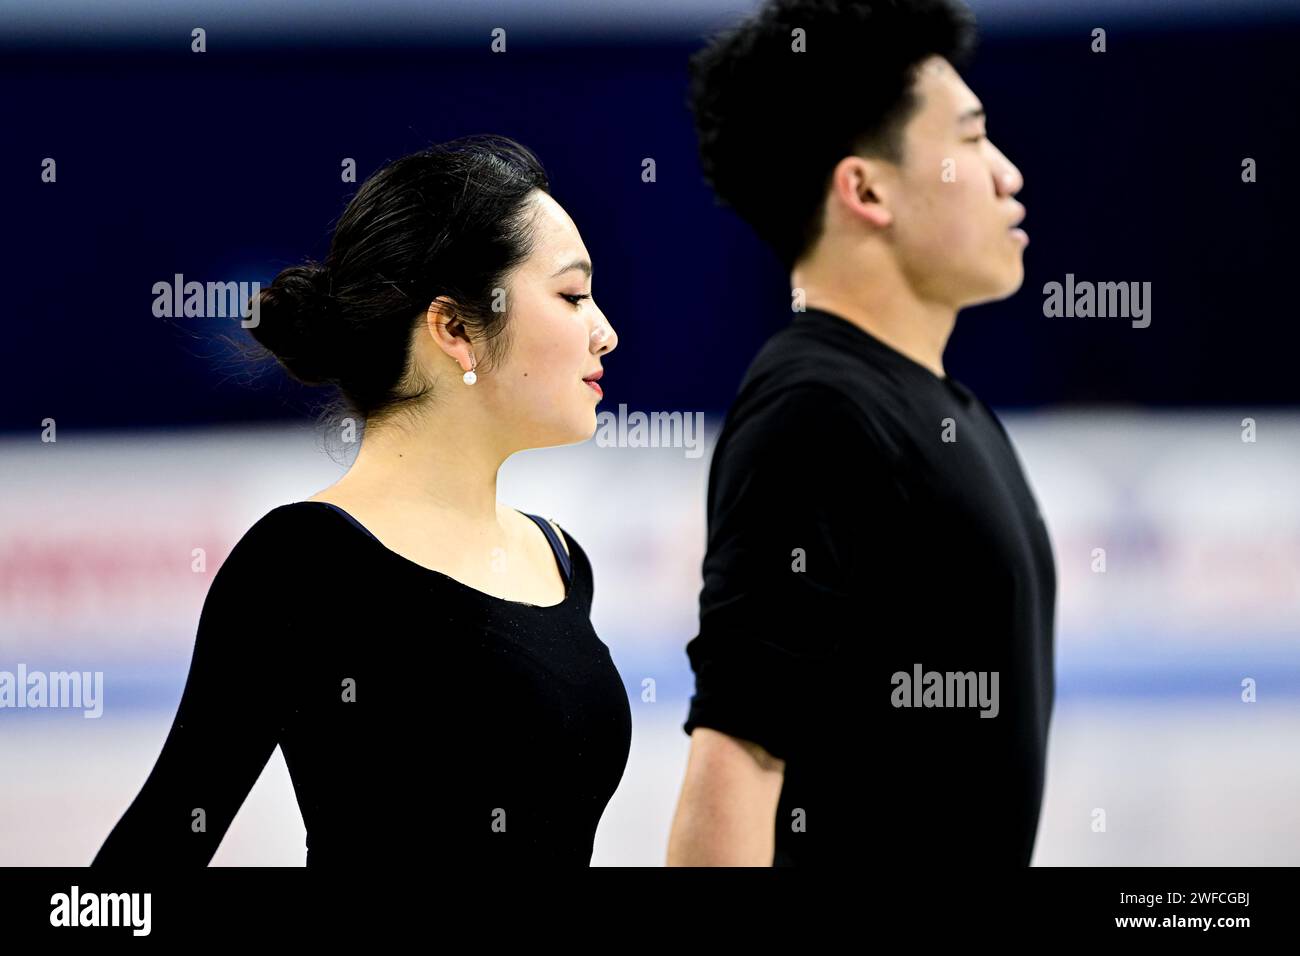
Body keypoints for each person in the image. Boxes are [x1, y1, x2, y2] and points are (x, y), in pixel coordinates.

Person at [92, 135, 630, 867]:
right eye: (572, 295)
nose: (606, 332)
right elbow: (144, 861)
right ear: (455, 329)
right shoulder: (304, 564)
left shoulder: (562, 559)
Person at [668, 0, 1056, 866]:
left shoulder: (943, 408)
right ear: (866, 189)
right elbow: (735, 760)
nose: (1008, 174)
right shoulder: (815, 411)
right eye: (970, 140)